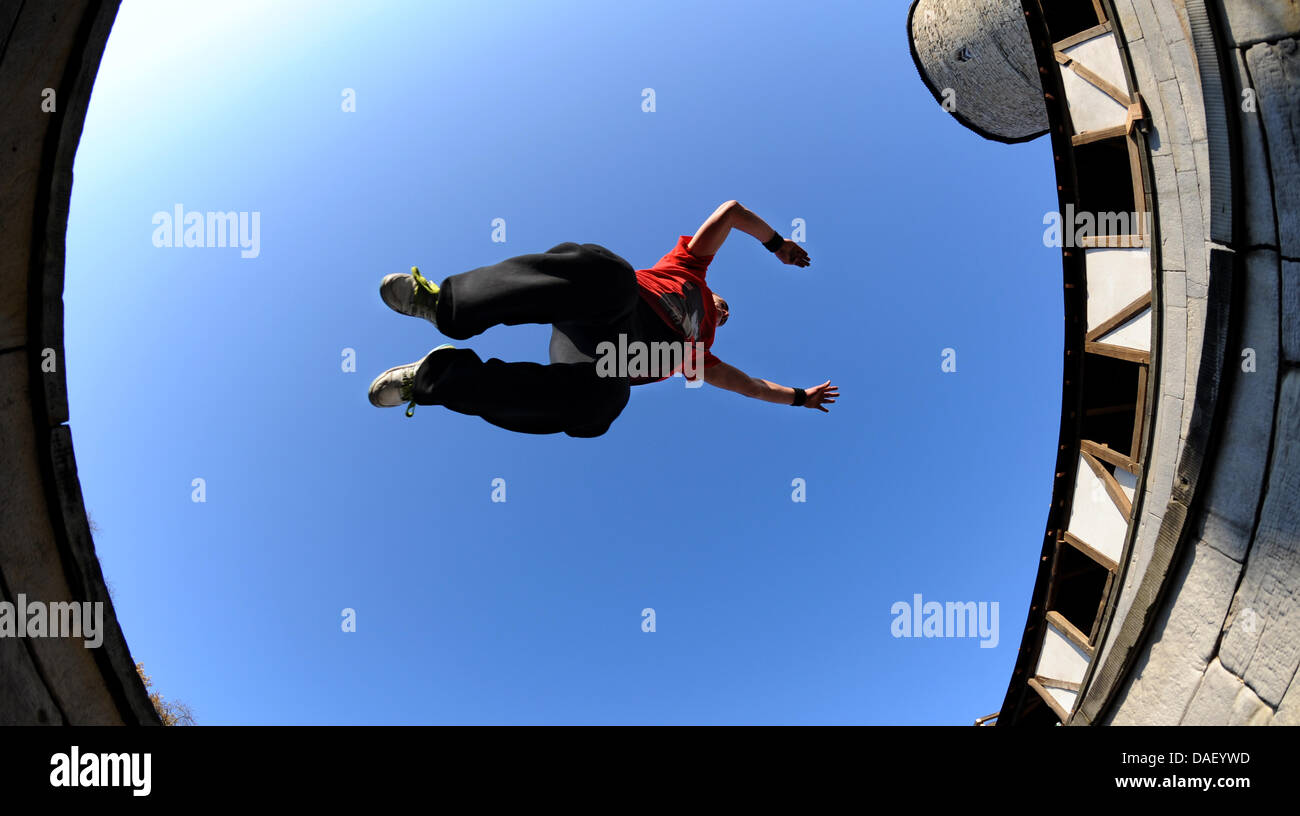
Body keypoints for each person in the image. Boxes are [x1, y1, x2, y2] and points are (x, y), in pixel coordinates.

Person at [368, 200, 838, 437]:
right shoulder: (688, 268)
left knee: (602, 406)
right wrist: (777, 244)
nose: (723, 311)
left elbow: (751, 387)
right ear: (713, 292)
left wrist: (800, 399)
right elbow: (732, 212)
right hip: (603, 304)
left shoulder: (699, 356)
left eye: (726, 316)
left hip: (604, 359)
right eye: (722, 303)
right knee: (613, 276)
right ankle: (446, 306)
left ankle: (435, 379)